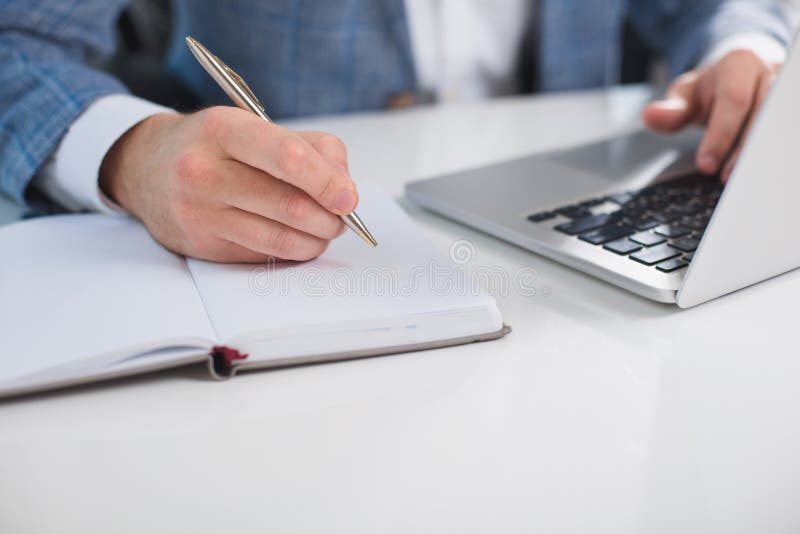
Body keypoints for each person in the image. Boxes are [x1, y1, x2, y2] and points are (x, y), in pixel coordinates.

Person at [0, 1, 792, 262]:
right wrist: (136, 155)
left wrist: (745, 49)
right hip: (266, 255)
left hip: (578, 230)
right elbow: (17, 41)